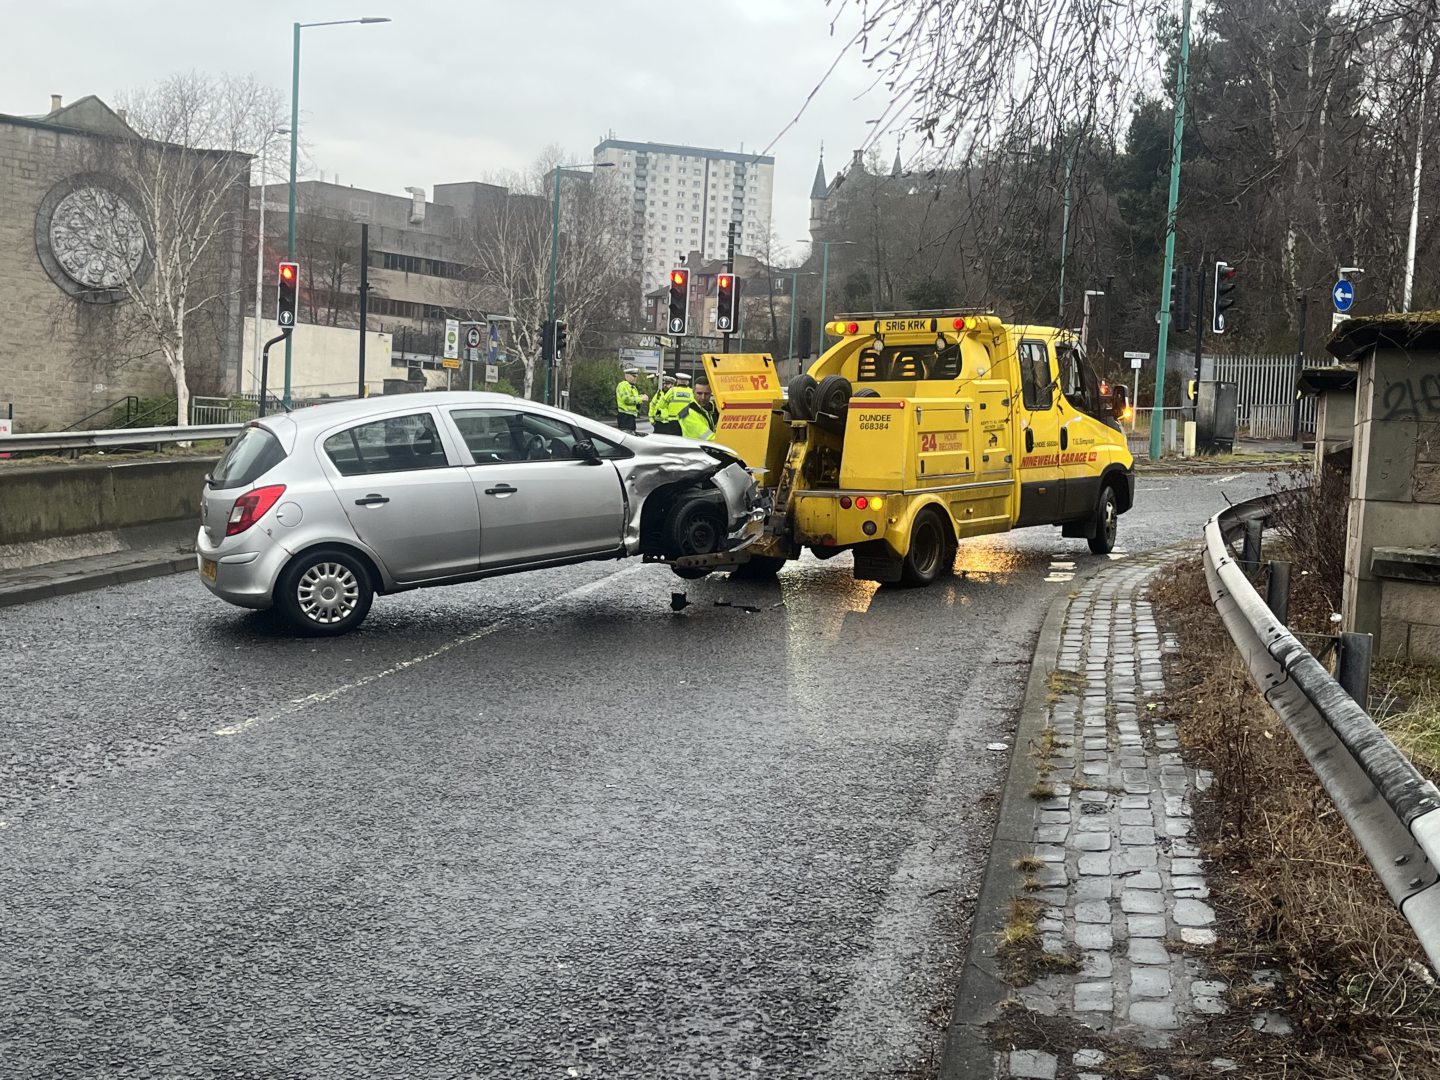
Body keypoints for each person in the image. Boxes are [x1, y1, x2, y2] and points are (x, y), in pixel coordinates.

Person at [661, 372, 696, 437]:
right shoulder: (691, 392)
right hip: (687, 421)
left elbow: (661, 405)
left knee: (674, 442)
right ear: (687, 382)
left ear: (677, 381)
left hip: (673, 422)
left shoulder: (672, 391)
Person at [615, 366, 648, 432]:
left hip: (631, 416)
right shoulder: (623, 385)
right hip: (625, 416)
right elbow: (627, 399)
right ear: (626, 376)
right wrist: (641, 399)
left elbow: (634, 399)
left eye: (636, 377)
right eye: (633, 376)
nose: (635, 378)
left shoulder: (632, 387)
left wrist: (641, 398)